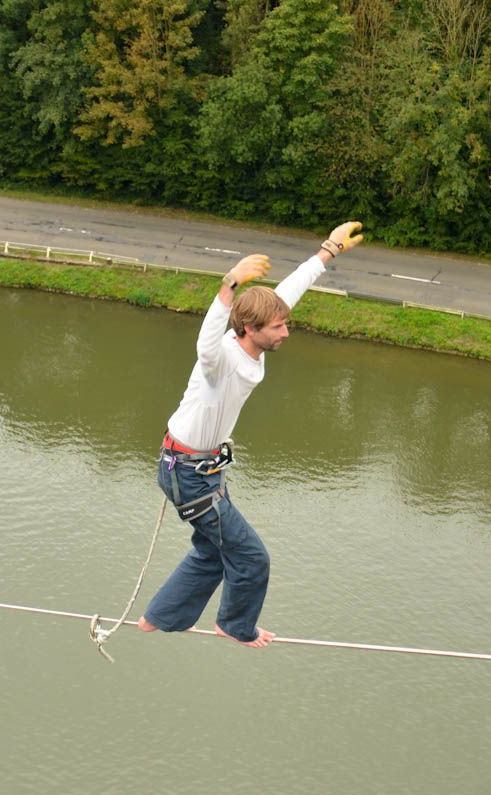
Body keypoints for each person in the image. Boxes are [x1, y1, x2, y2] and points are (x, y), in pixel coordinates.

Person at [138, 221, 364, 648]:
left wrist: (328, 251)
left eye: (285, 325)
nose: (286, 332)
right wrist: (229, 283)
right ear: (249, 329)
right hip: (188, 474)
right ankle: (235, 626)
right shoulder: (220, 359)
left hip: (195, 470)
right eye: (278, 328)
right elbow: (205, 343)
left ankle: (160, 617)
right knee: (250, 558)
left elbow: (289, 292)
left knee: (211, 553)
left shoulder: (253, 339)